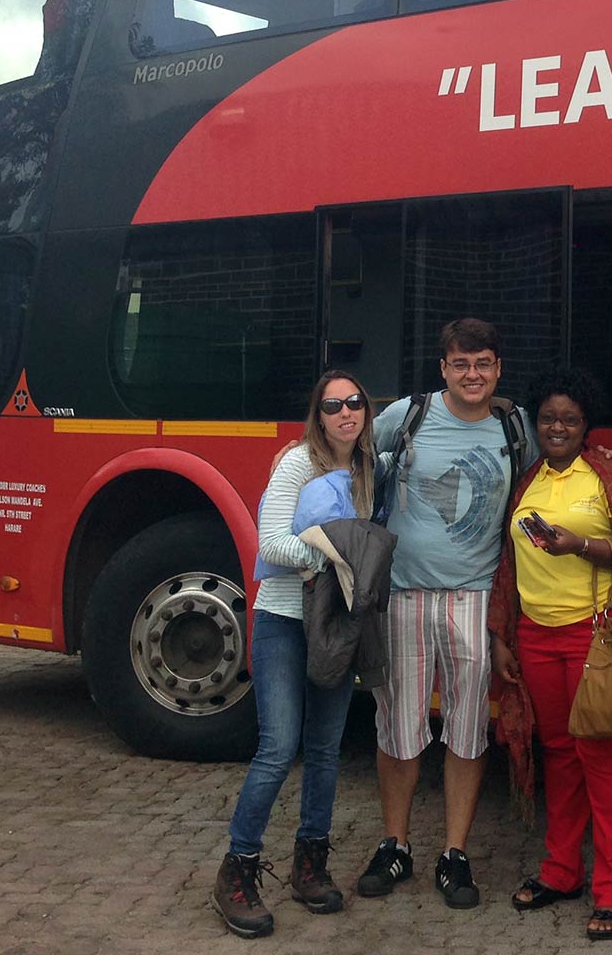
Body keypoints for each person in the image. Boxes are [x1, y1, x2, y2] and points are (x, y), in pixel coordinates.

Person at [357, 317, 535, 910]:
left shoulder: (514, 426)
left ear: (499, 368)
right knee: (399, 729)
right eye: (460, 364)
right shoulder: (406, 416)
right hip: (403, 596)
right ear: (443, 369)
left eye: (483, 363)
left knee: (465, 731)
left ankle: (454, 853)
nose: (472, 375)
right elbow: (351, 461)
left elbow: (534, 488)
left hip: (476, 600)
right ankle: (395, 844)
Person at [488, 368, 612, 942]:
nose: (556, 427)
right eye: (548, 418)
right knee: (559, 755)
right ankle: (561, 873)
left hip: (598, 636)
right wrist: (501, 637)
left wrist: (578, 544)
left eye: (569, 419)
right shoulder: (530, 476)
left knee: (606, 759)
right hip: (537, 636)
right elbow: (508, 563)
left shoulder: (609, 471)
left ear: (586, 424)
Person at [211, 369, 379, 939]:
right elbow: (271, 543)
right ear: (319, 415)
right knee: (279, 747)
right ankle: (237, 868)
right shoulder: (296, 464)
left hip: (333, 626)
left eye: (355, 402)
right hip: (283, 621)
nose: (345, 413)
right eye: (333, 406)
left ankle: (311, 864)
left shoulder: (366, 471)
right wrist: (331, 557)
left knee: (327, 750)